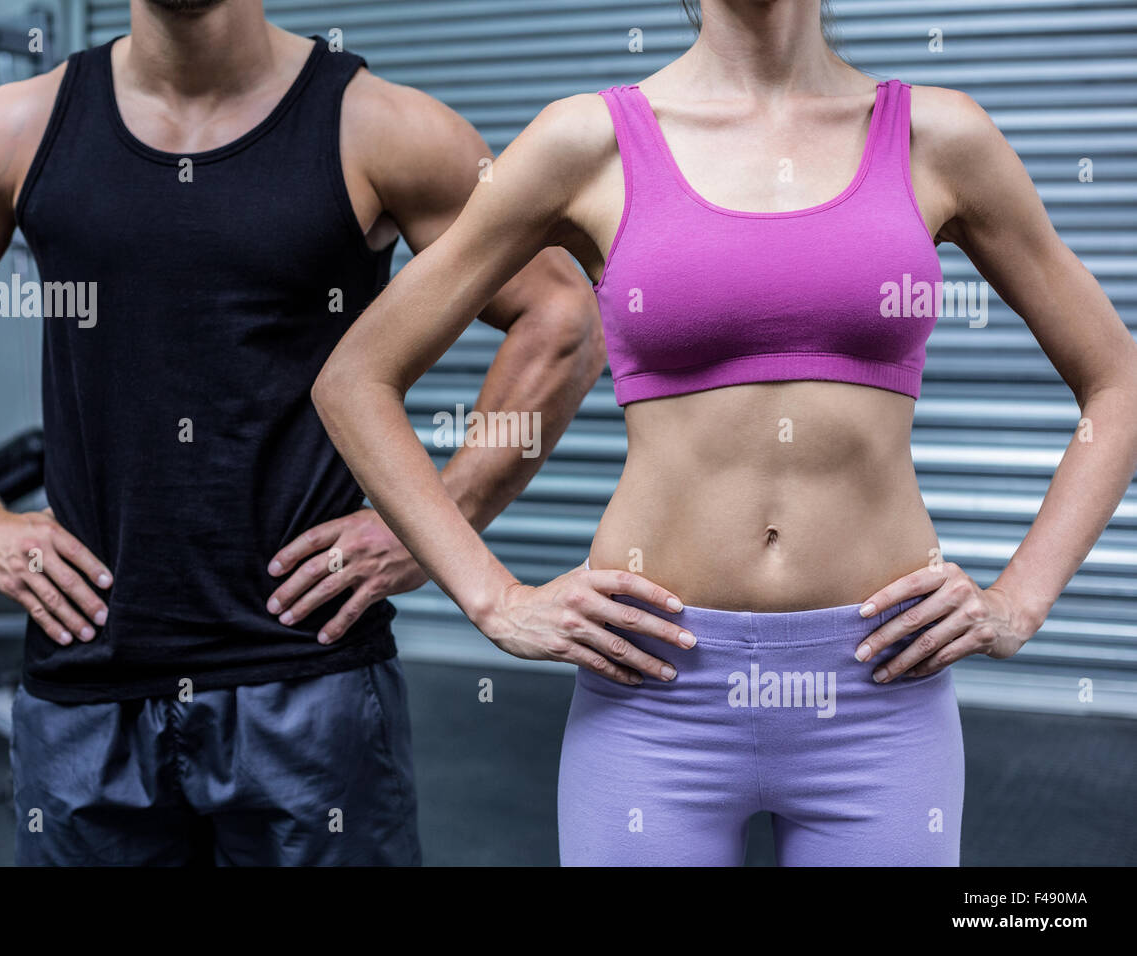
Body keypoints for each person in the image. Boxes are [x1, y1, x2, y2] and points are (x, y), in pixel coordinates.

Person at [312, 0, 1137, 866]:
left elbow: (1116, 378)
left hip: (878, 695)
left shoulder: (939, 135)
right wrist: (494, 599)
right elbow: (357, 377)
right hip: (654, 697)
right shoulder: (585, 142)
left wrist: (1021, 600)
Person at [0, 0, 605, 865]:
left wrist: (437, 524)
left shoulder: (381, 128)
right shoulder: (17, 129)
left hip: (306, 678)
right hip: (87, 678)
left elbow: (560, 314)